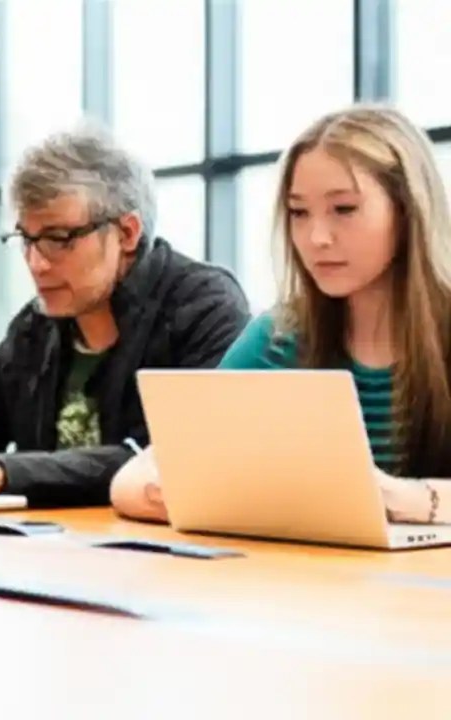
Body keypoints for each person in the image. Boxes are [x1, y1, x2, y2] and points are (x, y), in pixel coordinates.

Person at [0, 125, 250, 510]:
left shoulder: (203, 306)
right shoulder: (36, 327)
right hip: (52, 550)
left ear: (127, 232)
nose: (37, 263)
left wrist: (0, 473)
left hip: (156, 558)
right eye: (27, 239)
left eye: (58, 239)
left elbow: (170, 459)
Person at [111, 105, 451, 524]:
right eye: (298, 213)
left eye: (344, 209)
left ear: (409, 211)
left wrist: (405, 499)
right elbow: (132, 480)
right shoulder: (280, 336)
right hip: (306, 579)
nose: (317, 238)